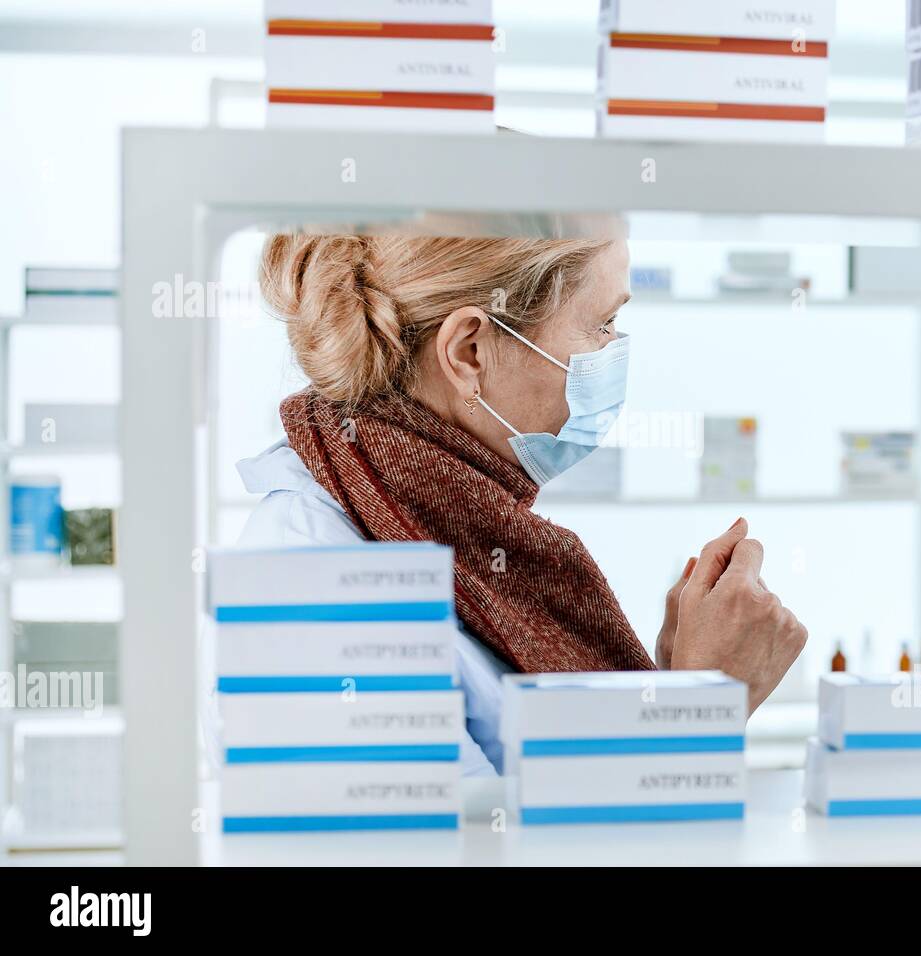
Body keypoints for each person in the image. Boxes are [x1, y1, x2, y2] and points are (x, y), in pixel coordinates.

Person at [236, 232, 807, 775]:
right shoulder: (317, 590)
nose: (616, 351)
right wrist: (704, 709)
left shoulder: (435, 510)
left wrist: (666, 687)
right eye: (603, 324)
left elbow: (555, 794)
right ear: (470, 352)